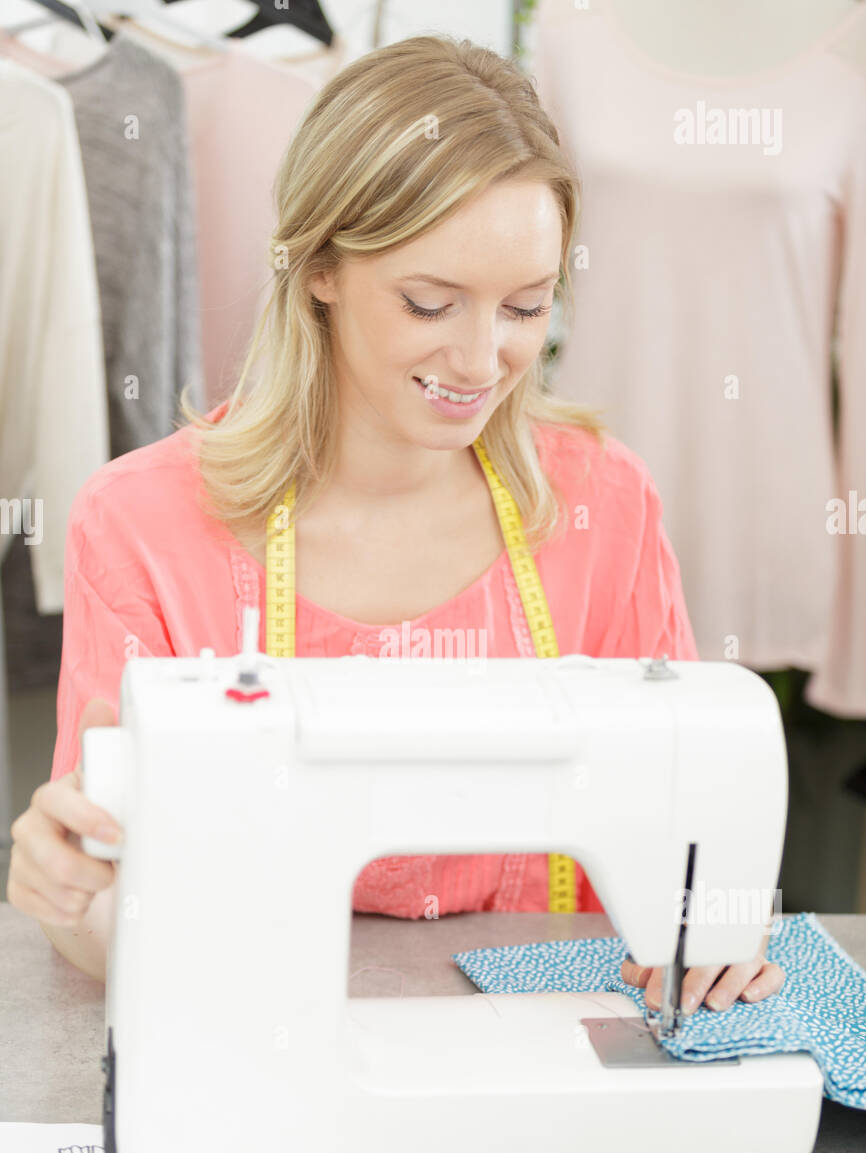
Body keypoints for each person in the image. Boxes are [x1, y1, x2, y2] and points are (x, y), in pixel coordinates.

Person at [6, 35, 783, 1011]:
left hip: (549, 1037)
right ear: (320, 266)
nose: (476, 360)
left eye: (523, 307)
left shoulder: (602, 504)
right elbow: (111, 893)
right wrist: (71, 897)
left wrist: (715, 925)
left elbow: (687, 811)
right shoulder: (144, 524)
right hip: (266, 1030)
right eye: (428, 302)